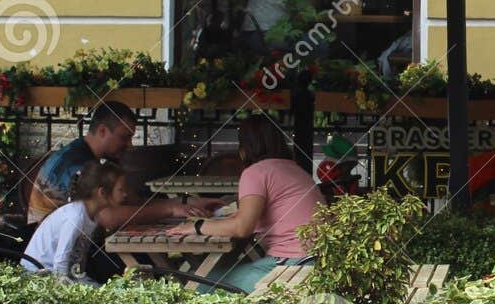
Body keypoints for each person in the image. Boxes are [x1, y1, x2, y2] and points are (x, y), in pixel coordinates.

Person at [196, 115, 325, 293]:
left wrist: (197, 226)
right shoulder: (294, 169)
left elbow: (242, 228)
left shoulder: (255, 172)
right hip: (320, 263)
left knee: (202, 283)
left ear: (245, 146)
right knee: (218, 274)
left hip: (293, 266)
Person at [27, 100, 207, 227]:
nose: (129, 145)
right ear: (103, 131)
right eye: (124, 137)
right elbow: (109, 217)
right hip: (55, 263)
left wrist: (185, 202)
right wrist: (170, 209)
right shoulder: (76, 164)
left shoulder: (89, 157)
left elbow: (131, 200)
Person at [23, 159, 125, 280]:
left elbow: (79, 257)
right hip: (39, 275)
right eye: (120, 190)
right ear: (102, 192)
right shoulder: (75, 216)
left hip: (61, 274)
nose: (125, 194)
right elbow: (60, 262)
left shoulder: (93, 216)